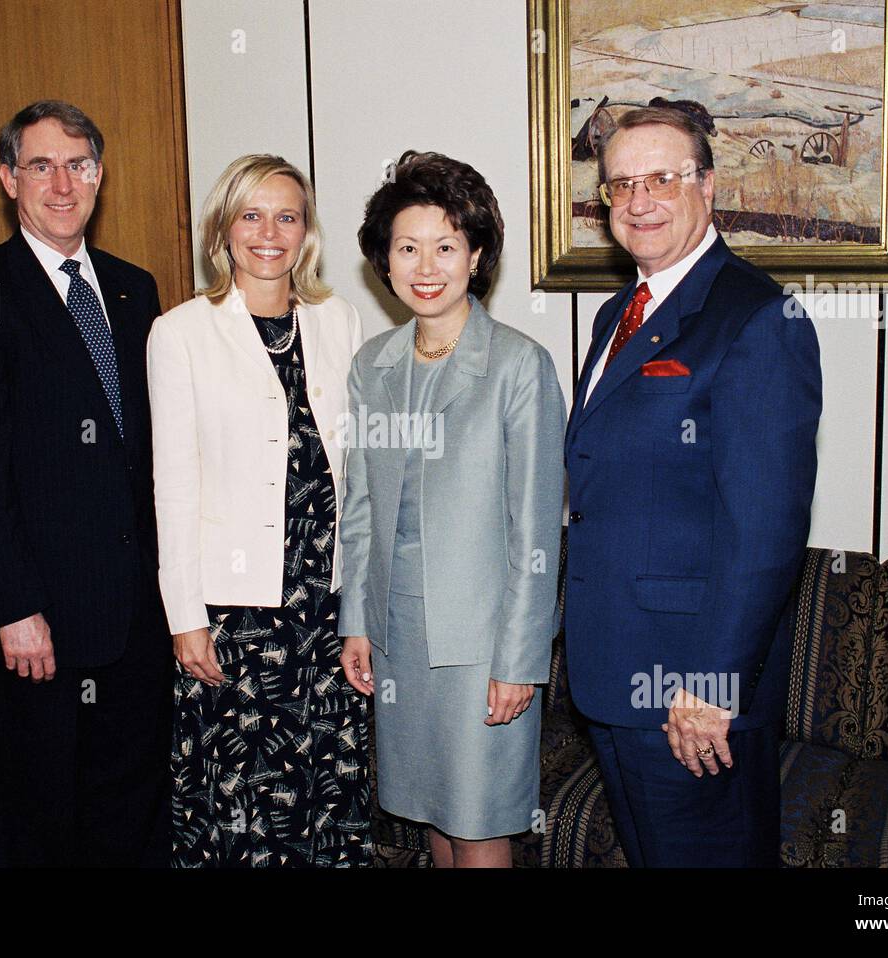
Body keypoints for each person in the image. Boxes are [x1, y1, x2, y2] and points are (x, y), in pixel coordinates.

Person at [564, 106, 822, 867]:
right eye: (619, 185)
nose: (638, 200)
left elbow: (766, 529)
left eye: (661, 179)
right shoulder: (619, 312)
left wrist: (711, 687)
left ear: (707, 186)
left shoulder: (759, 315)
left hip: (691, 692)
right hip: (614, 674)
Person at [0, 99, 171, 866]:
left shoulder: (136, 290)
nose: (62, 184)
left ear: (100, 175)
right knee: (48, 808)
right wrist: (14, 607)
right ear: (9, 179)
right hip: (47, 619)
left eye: (78, 165)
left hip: (140, 604)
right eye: (41, 165)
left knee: (135, 793)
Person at [339, 151, 565, 868]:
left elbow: (538, 529)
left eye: (446, 245)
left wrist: (521, 661)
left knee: (478, 824)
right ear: (385, 258)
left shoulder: (518, 366)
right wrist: (356, 625)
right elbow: (361, 508)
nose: (425, 266)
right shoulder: (372, 365)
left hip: (481, 645)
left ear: (476, 256)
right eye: (407, 247)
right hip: (399, 635)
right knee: (432, 815)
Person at [147, 154, 369, 867]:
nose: (269, 232)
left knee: (327, 793)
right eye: (251, 214)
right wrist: (185, 618)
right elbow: (173, 486)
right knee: (246, 800)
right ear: (223, 227)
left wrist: (361, 604)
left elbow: (358, 472)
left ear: (307, 232)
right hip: (235, 614)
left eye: (287, 216)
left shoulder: (339, 321)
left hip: (325, 606)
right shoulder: (180, 333)